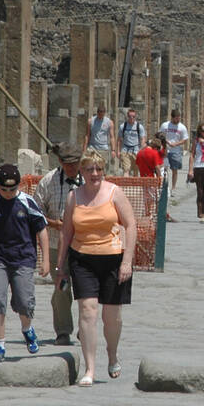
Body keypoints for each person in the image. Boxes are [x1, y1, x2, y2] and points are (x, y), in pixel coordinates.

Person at [54, 150, 138, 387]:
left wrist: (127, 261)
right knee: (87, 312)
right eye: (89, 169)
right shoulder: (74, 197)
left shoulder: (114, 192)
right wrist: (60, 266)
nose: (95, 174)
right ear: (81, 171)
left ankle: (112, 354)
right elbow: (67, 232)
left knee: (111, 317)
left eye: (99, 169)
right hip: (83, 260)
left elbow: (131, 225)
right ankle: (90, 368)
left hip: (113, 258)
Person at [0, 163, 50, 362]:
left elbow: (42, 230)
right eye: (4, 189)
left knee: (24, 301)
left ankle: (27, 329)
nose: (8, 193)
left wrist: (46, 260)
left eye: (13, 189)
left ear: (19, 185)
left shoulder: (27, 202)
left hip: (23, 259)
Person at [34, 148, 84, 345]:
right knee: (62, 288)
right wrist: (55, 224)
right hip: (57, 247)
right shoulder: (48, 181)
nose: (72, 168)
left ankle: (85, 327)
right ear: (61, 163)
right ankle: (63, 331)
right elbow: (35, 213)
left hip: (84, 247)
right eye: (68, 164)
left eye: (75, 164)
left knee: (85, 289)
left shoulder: (89, 179)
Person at [134, 136, 167, 221]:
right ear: (155, 147)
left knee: (146, 197)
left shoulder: (139, 153)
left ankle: (147, 213)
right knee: (153, 197)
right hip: (151, 178)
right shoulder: (154, 153)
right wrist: (159, 178)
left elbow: (137, 164)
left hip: (143, 177)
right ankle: (151, 214)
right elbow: (157, 167)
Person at [160, 108, 189, 194]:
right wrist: (166, 142)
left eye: (179, 118)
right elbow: (160, 135)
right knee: (164, 169)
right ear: (172, 117)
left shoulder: (182, 127)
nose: (177, 120)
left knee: (174, 169)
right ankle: (164, 187)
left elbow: (185, 139)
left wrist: (176, 144)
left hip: (176, 150)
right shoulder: (165, 125)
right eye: (176, 118)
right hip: (165, 149)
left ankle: (173, 188)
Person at [119, 109, 146, 175]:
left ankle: (134, 185)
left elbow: (143, 139)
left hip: (136, 150)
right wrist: (118, 151)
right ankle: (126, 185)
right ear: (127, 116)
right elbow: (119, 139)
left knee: (136, 170)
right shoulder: (123, 126)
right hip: (125, 150)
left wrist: (141, 150)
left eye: (133, 116)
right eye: (130, 116)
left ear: (135, 117)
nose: (131, 118)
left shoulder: (139, 127)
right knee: (126, 169)